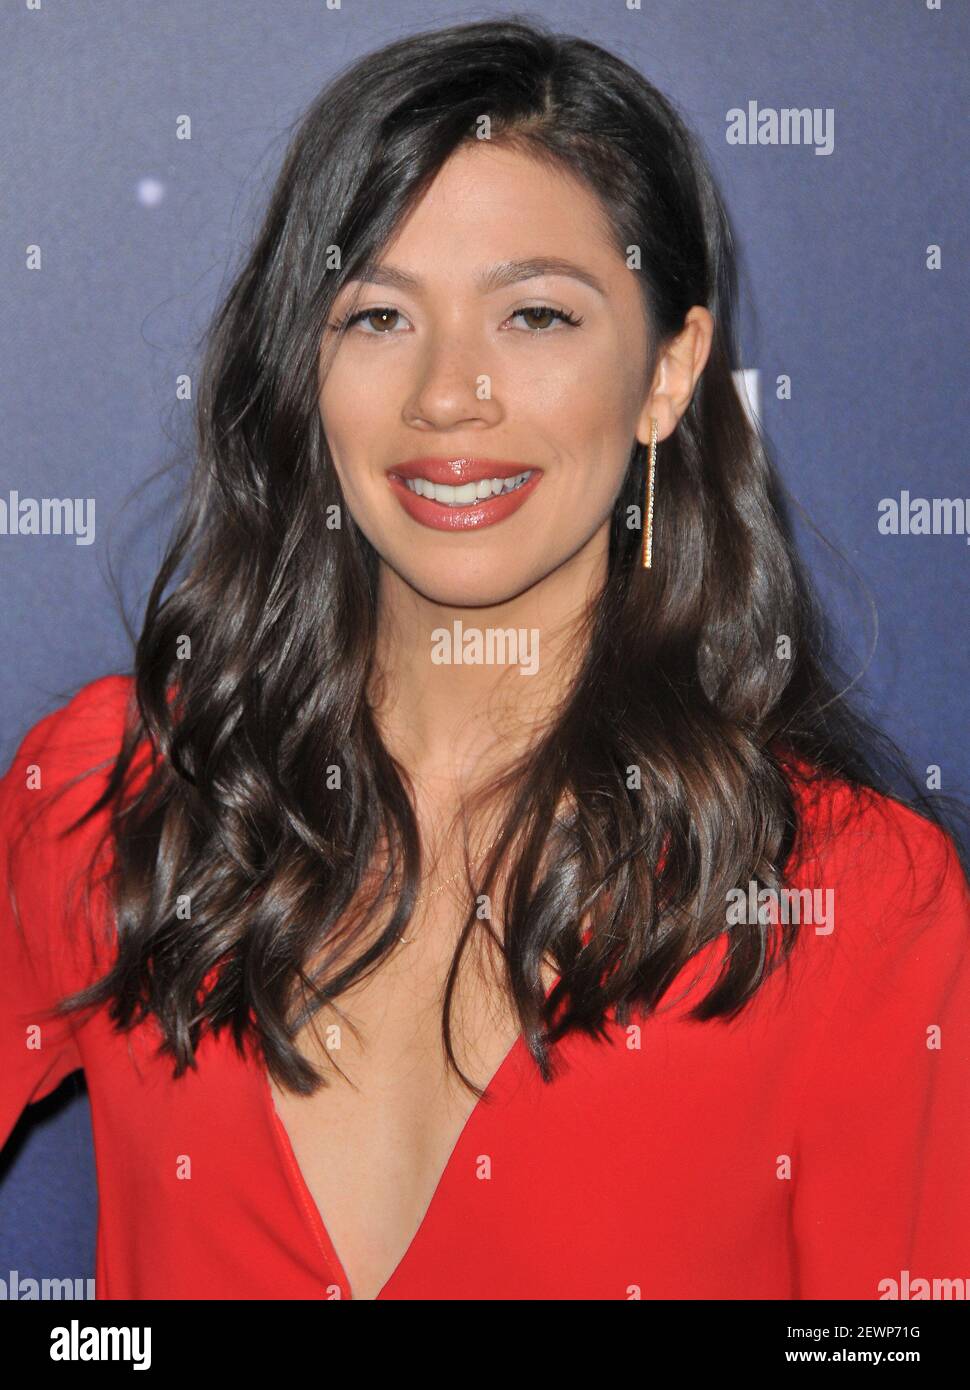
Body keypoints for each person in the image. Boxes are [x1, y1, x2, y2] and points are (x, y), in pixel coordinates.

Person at [2, 17, 969, 1302]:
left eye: (535, 313)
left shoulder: (851, 905)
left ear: (668, 372)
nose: (447, 393)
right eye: (378, 315)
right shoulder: (118, 791)